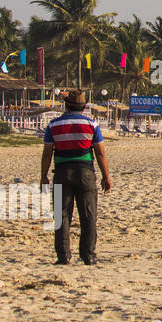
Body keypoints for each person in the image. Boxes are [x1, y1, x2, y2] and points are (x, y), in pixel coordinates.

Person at [40, 89, 113, 266]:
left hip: (62, 172)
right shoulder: (91, 125)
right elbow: (100, 153)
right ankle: (88, 255)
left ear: (66, 105)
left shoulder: (53, 125)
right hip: (85, 172)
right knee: (88, 215)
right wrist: (106, 176)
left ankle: (63, 256)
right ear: (84, 106)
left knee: (62, 215)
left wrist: (43, 176)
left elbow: (47, 153)